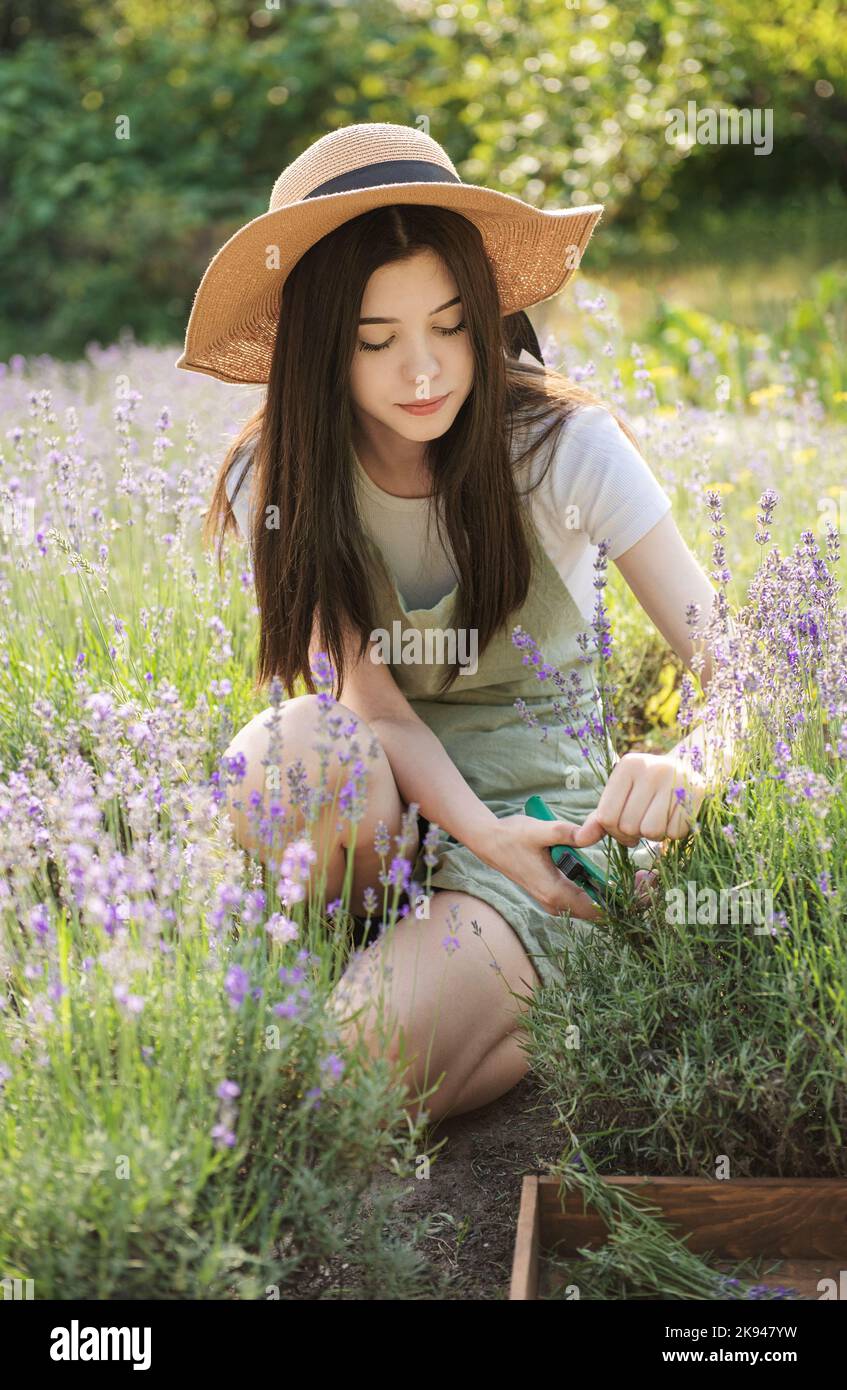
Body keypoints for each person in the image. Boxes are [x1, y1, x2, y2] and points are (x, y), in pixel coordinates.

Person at [177, 122, 725, 1126]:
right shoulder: (284, 473)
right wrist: (471, 831)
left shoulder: (563, 445)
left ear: (484, 314)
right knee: (286, 757)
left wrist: (688, 762)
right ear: (316, 349)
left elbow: (743, 671)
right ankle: (433, 963)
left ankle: (517, 965)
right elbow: (373, 714)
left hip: (544, 804)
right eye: (376, 341)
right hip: (398, 799)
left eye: (449, 325)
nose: (422, 370)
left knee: (345, 1085)